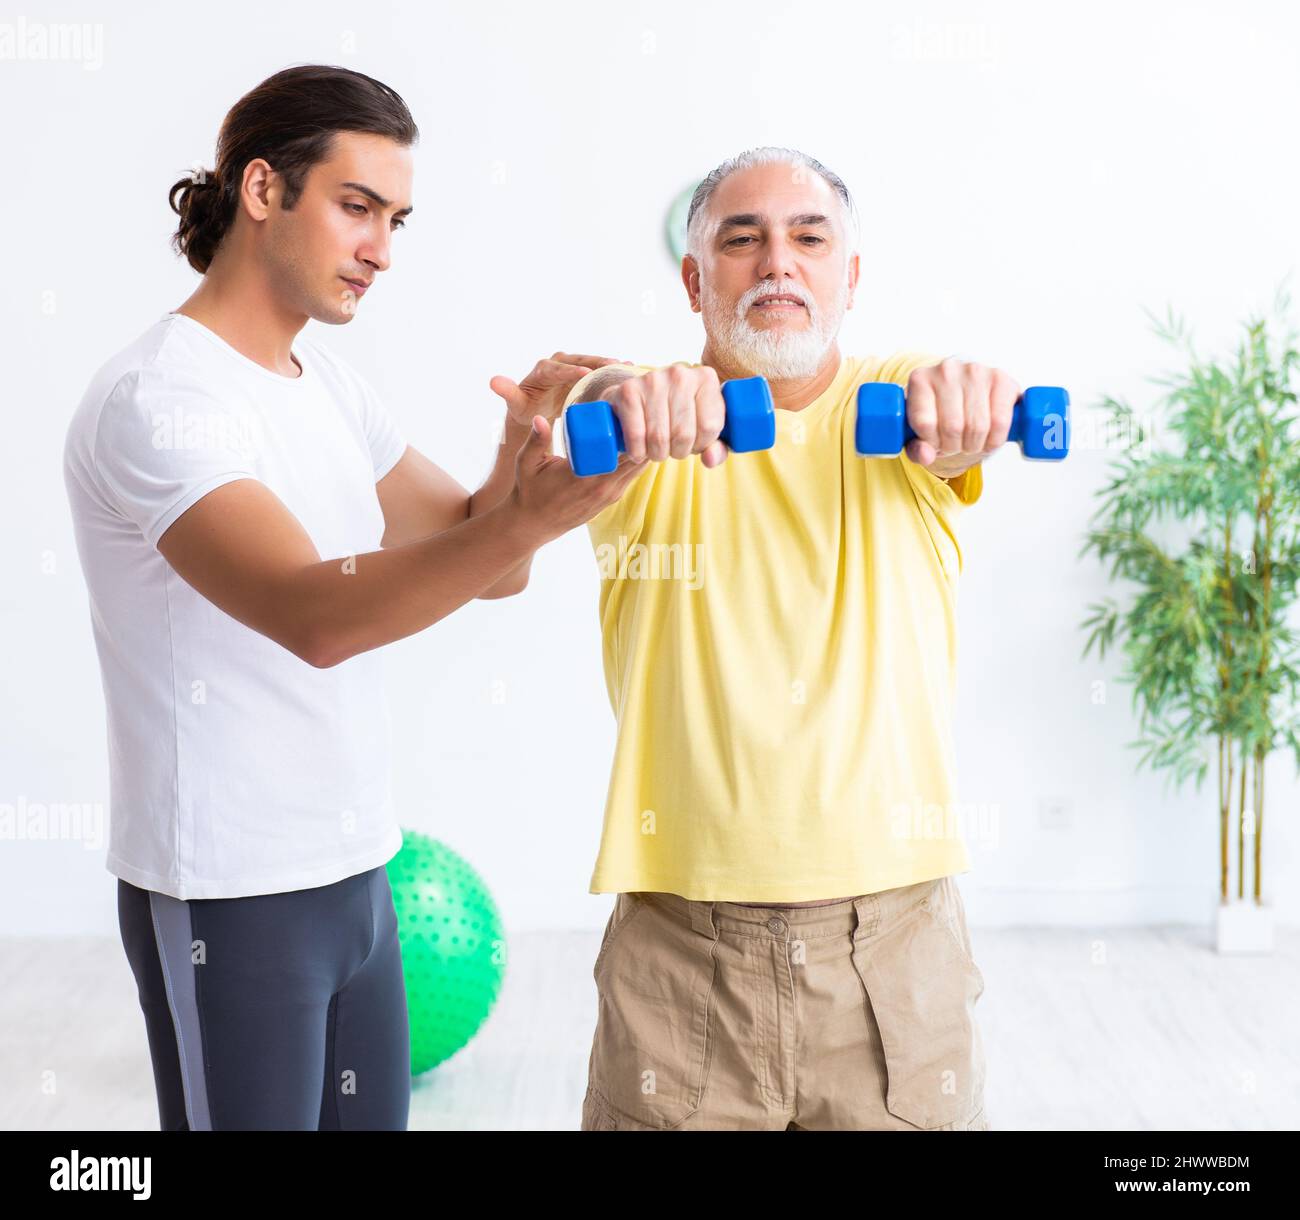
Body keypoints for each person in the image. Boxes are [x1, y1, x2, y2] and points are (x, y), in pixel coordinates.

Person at [61, 63, 641, 1131]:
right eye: (357, 207)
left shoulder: (325, 383)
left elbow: (491, 563)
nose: (380, 247)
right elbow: (311, 614)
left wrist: (517, 453)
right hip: (224, 894)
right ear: (263, 189)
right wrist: (528, 514)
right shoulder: (162, 399)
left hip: (357, 870)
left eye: (397, 219)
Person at [563, 146, 1023, 1131]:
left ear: (848, 276)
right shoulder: (649, 428)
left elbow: (957, 407)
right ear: (694, 281)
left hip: (891, 949)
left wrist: (972, 397)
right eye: (742, 240)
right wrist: (616, 392)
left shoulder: (895, 408)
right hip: (679, 954)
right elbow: (594, 397)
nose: (778, 261)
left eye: (808, 239)